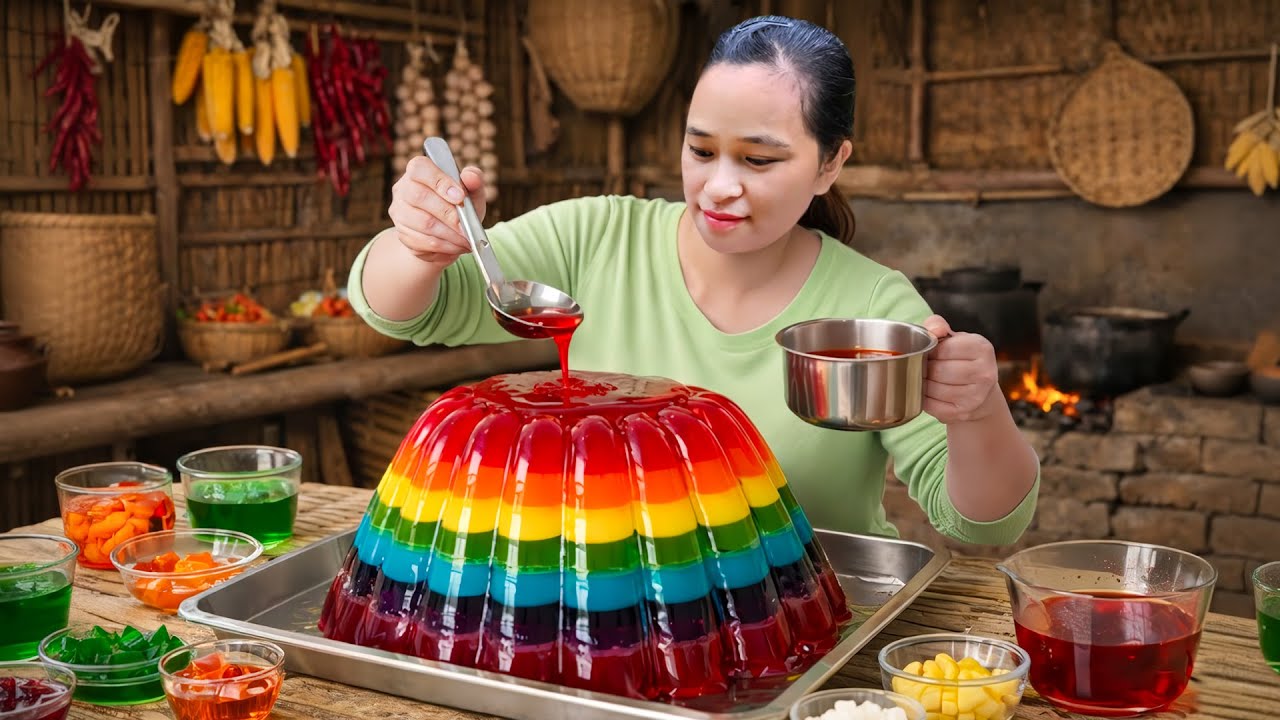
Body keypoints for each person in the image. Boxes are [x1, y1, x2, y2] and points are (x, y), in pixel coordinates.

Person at [348, 15, 1039, 544]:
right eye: (700, 149)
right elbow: (402, 311)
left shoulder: (871, 306)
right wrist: (421, 244)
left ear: (830, 164)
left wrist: (979, 413)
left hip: (809, 631)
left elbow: (981, 525)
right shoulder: (597, 236)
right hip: (606, 608)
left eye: (760, 161)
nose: (719, 187)